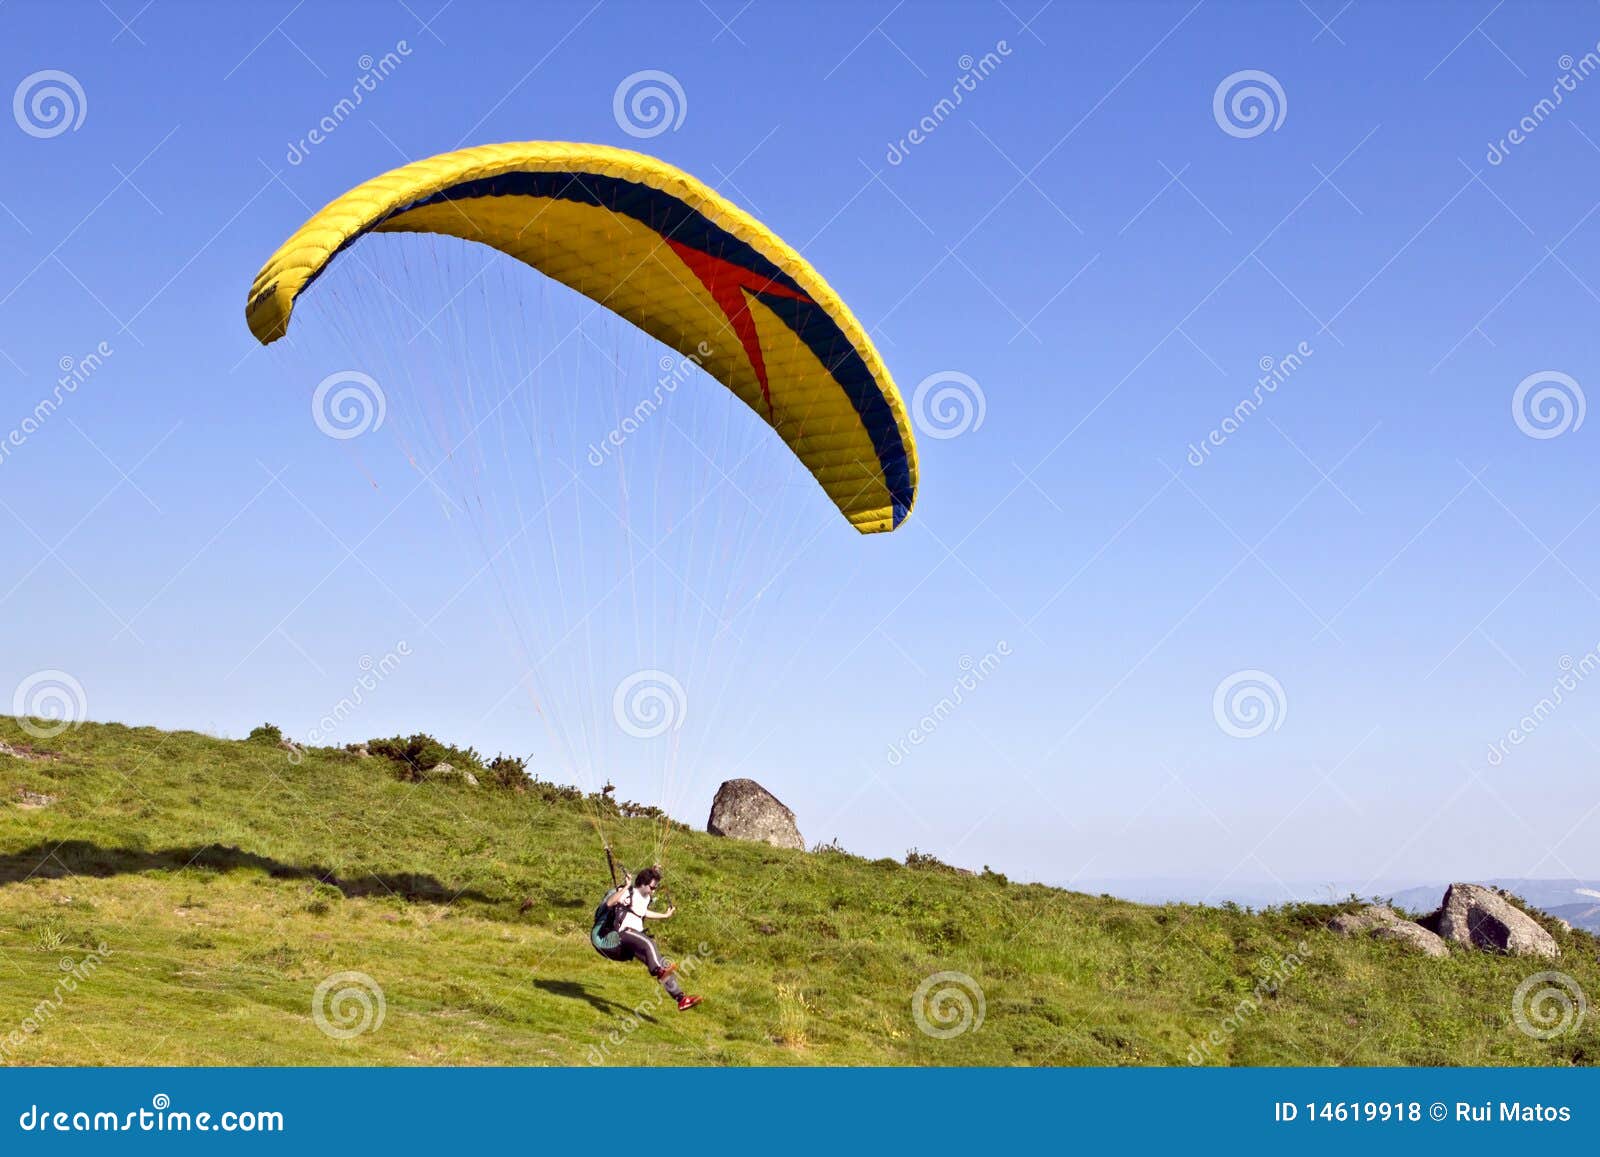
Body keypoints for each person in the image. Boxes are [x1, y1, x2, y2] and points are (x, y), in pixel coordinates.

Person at [605, 866, 702, 1011]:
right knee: (649, 943)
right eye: (652, 887)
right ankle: (658, 969)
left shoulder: (645, 897)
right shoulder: (629, 893)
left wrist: (664, 915)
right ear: (643, 884)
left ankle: (681, 999)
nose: (654, 891)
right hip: (623, 933)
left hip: (635, 936)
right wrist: (625, 886)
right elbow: (609, 903)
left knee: (662, 963)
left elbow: (643, 912)